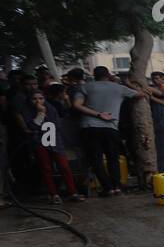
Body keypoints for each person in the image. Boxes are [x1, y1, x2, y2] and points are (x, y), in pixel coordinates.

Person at [71, 66, 144, 196]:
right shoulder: (119, 88)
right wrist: (128, 84)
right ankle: (117, 187)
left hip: (89, 127)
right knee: (113, 158)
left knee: (96, 159)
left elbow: (76, 105)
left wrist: (98, 114)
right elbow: (141, 94)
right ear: (108, 75)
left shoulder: (85, 87)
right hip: (111, 127)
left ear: (94, 75)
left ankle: (107, 187)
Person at [24, 89, 83, 203]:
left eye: (41, 98)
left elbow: (56, 124)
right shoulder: (27, 110)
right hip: (39, 141)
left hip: (55, 140)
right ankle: (53, 194)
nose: (38, 101)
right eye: (34, 99)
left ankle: (72, 192)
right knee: (46, 168)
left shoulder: (50, 108)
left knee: (64, 166)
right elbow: (33, 126)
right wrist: (40, 113)